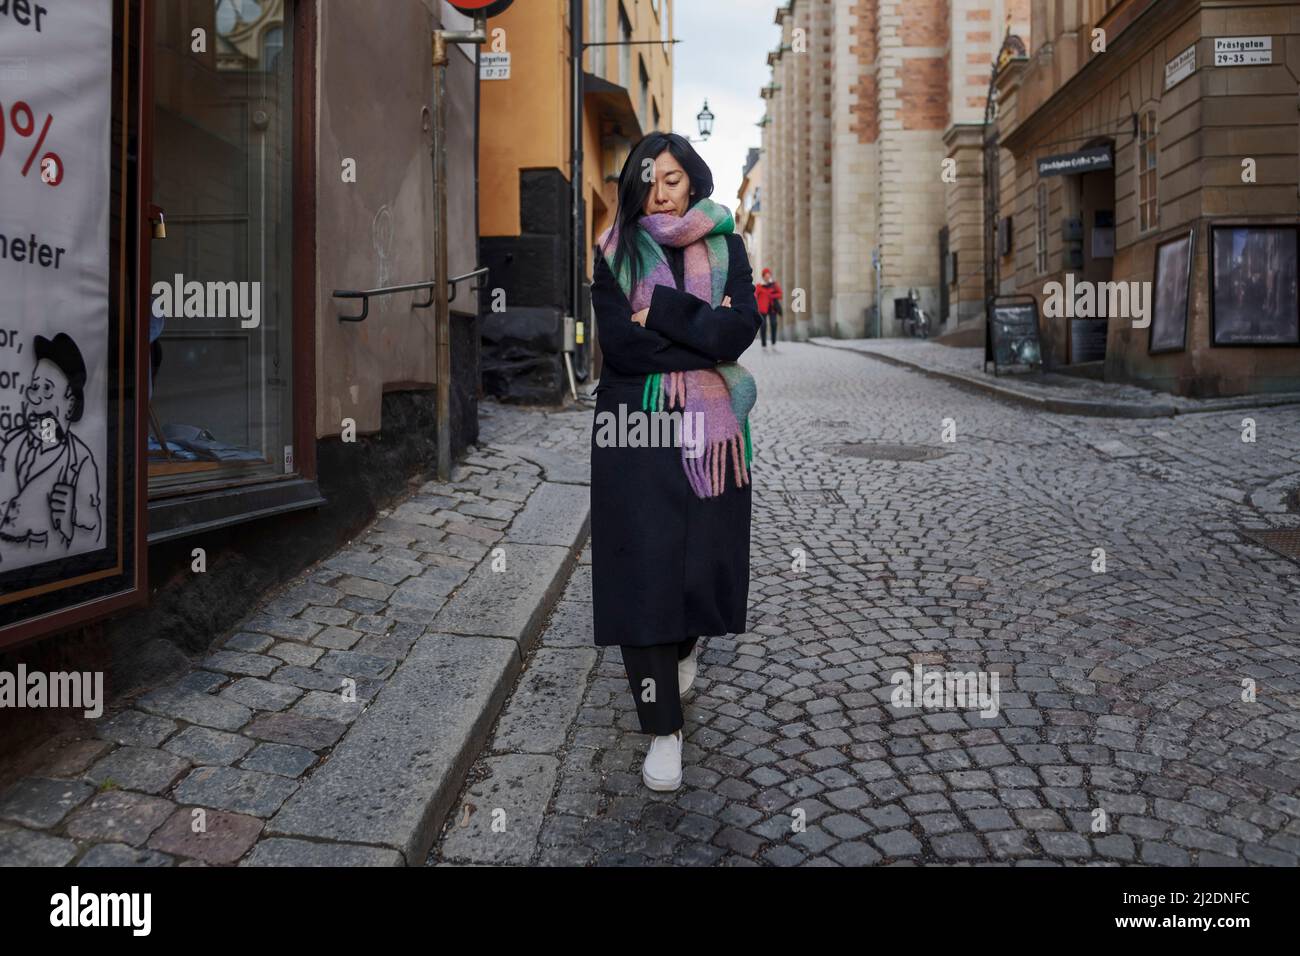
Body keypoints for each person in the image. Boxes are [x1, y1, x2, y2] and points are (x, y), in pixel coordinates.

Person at [591, 132, 761, 792]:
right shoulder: (614, 250)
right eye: (648, 178)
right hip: (633, 425)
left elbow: (738, 331)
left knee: (702, 562)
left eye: (672, 177)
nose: (660, 190)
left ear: (692, 180)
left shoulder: (727, 245)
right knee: (644, 569)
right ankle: (663, 729)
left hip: (710, 430)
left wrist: (660, 309)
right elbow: (622, 350)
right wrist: (703, 334)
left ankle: (687, 643)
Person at [0, 333, 102, 562]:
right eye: (34, 387)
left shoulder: (81, 461)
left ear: (70, 404)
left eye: (47, 390)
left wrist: (68, 524)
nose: (35, 399)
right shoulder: (14, 446)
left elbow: (93, 535)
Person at [754, 268, 783, 349]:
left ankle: (773, 342)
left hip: (772, 308)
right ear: (763, 276)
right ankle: (763, 344)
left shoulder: (774, 284)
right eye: (766, 275)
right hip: (762, 308)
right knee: (763, 325)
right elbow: (755, 295)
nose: (767, 277)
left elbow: (780, 294)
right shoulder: (759, 285)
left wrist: (772, 295)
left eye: (768, 275)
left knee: (774, 324)